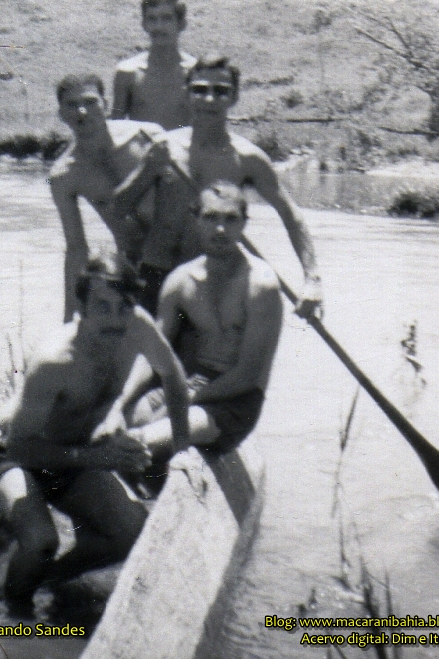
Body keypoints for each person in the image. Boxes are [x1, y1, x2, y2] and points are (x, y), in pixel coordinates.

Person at [0, 255, 191, 615]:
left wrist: (183, 451)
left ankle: (44, 583)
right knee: (41, 541)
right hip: (16, 457)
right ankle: (14, 616)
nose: (115, 319)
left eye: (124, 306)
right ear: (81, 307)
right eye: (102, 307)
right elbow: (19, 447)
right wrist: (97, 457)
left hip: (74, 455)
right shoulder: (55, 361)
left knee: (131, 532)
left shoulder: (138, 327)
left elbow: (172, 373)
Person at [113, 55, 323, 319]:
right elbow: (118, 208)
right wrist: (147, 170)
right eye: (200, 90)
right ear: (187, 94)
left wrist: (312, 280)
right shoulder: (163, 148)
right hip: (156, 277)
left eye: (220, 91)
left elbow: (291, 215)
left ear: (234, 97)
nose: (209, 99)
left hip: (213, 282)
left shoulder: (248, 158)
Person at [93, 181, 283, 459]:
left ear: (244, 224)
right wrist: (120, 404)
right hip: (190, 386)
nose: (220, 229)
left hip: (235, 401)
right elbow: (153, 354)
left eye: (231, 219)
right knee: (103, 425)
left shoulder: (261, 284)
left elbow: (248, 374)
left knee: (141, 440)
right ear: (195, 220)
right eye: (211, 217)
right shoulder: (180, 281)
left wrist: (185, 400)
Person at [49, 73, 164, 321]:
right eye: (71, 105)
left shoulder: (147, 136)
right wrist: (70, 316)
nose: (82, 111)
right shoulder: (65, 175)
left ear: (106, 105)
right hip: (135, 270)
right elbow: (76, 248)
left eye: (90, 102)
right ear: (61, 114)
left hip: (182, 252)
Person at [111, 0, 196, 130]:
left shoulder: (196, 73)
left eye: (167, 18)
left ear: (181, 24)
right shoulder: (127, 73)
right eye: (152, 19)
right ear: (144, 24)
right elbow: (116, 128)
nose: (158, 27)